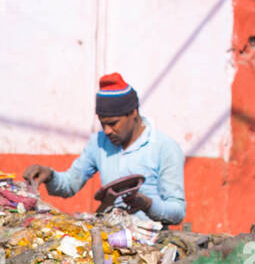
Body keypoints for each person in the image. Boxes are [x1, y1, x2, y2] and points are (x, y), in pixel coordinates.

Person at [24, 73, 186, 226]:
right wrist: (50, 176)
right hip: (109, 238)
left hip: (151, 242)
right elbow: (70, 184)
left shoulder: (165, 148)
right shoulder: (98, 142)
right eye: (103, 123)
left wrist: (147, 204)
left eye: (113, 123)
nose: (107, 130)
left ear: (133, 113)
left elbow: (177, 211)